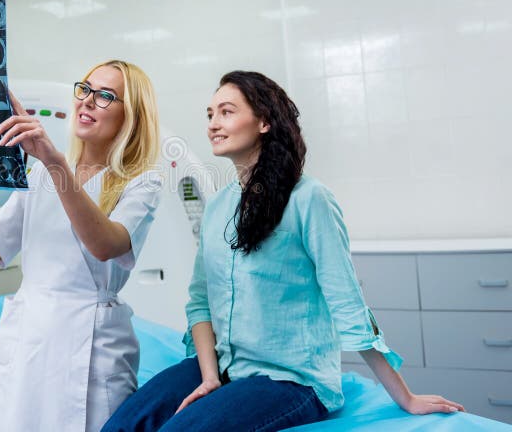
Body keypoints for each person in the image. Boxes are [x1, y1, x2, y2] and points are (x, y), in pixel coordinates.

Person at [102, 70, 463, 432]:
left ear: (263, 122)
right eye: (209, 114)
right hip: (224, 366)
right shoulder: (218, 207)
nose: (213, 123)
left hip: (290, 379)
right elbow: (200, 301)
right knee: (121, 425)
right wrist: (209, 377)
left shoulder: (309, 199)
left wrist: (405, 397)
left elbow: (347, 303)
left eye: (226, 112)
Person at [0, 60, 162, 432]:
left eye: (106, 96)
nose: (88, 101)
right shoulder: (38, 174)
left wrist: (53, 160)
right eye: (85, 90)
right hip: (30, 337)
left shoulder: (141, 181)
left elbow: (104, 245)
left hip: (93, 347)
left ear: (132, 117)